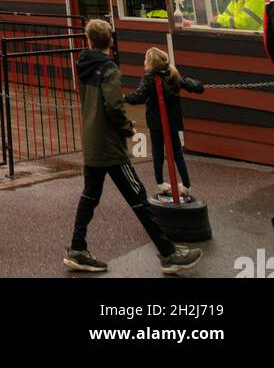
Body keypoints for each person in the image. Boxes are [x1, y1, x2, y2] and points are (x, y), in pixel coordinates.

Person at [63, 18, 201, 274]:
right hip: (111, 146)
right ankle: (169, 253)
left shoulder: (82, 66)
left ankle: (77, 247)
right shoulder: (109, 70)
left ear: (89, 41)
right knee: (138, 196)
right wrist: (127, 128)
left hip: (92, 141)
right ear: (111, 41)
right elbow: (114, 106)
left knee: (90, 196)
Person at [125, 47, 204, 198]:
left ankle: (160, 183)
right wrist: (199, 86)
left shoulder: (149, 78)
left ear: (150, 64)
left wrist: (123, 97)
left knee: (158, 152)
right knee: (177, 153)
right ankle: (186, 184)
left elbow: (139, 97)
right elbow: (192, 85)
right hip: (172, 122)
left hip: (156, 123)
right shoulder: (172, 75)